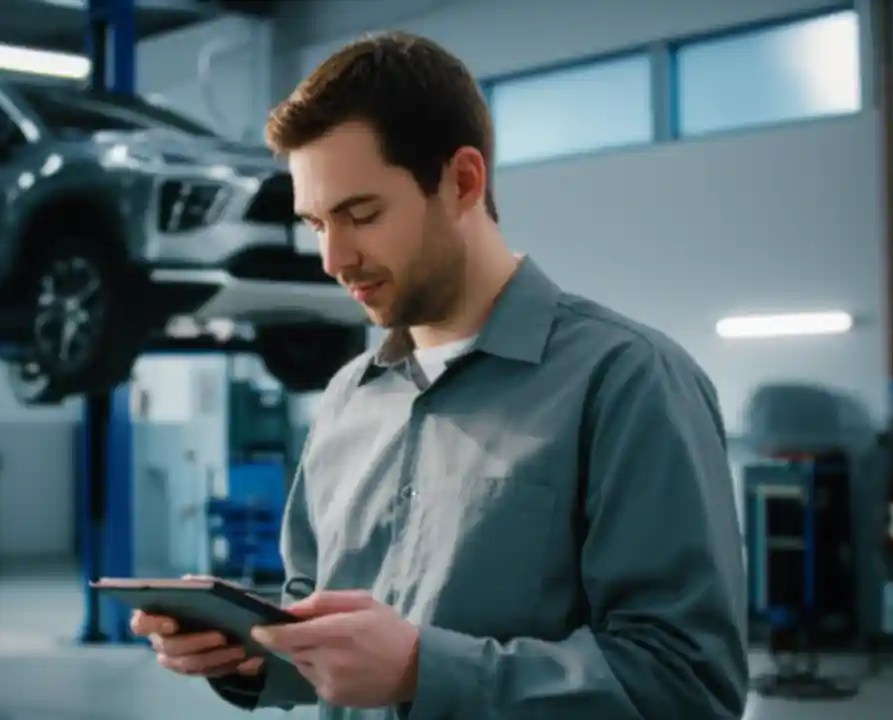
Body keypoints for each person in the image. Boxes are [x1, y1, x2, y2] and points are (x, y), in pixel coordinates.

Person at [131, 30, 749, 719]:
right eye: (314, 224)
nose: (333, 258)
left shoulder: (628, 381)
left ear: (462, 181)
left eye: (360, 214)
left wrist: (425, 669)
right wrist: (254, 654)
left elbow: (686, 685)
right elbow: (322, 635)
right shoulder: (346, 400)